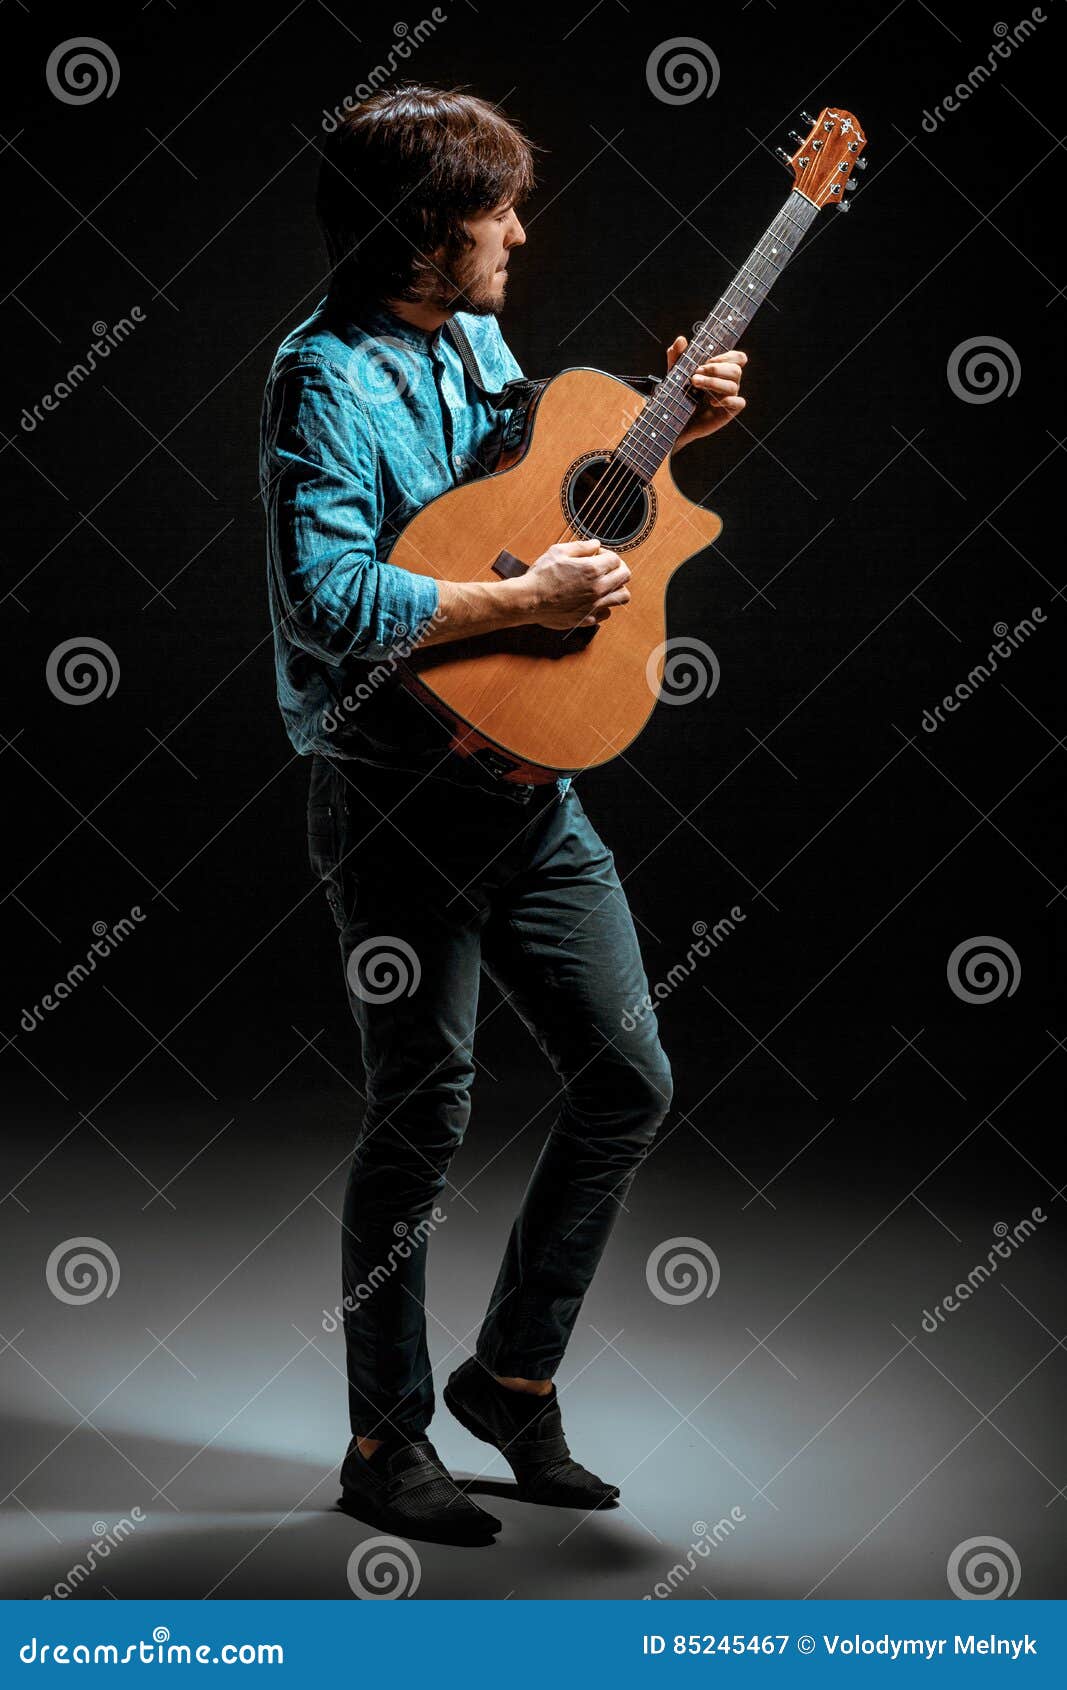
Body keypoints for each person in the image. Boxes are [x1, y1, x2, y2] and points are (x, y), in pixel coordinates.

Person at [259, 84, 747, 1545]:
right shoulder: (319, 378)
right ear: (422, 231)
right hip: (399, 798)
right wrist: (522, 602)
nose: (521, 230)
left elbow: (540, 496)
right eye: (497, 211)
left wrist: (673, 433)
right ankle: (382, 1438)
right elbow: (328, 595)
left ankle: (510, 1376)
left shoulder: (473, 336)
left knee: (628, 1075)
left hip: (532, 790)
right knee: (424, 1116)